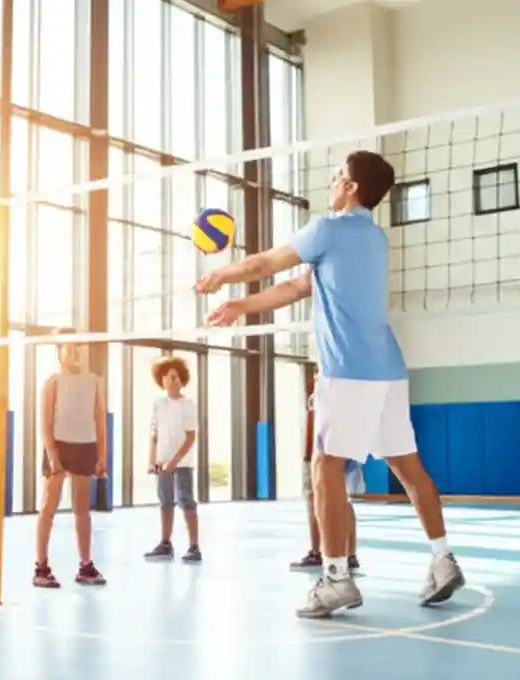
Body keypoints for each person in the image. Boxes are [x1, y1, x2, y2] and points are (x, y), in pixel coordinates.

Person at [199, 150, 465, 618]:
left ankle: (337, 578)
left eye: (338, 174)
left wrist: (224, 274)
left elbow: (267, 262)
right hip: (389, 371)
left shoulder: (327, 228)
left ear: (351, 188)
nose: (333, 179)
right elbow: (301, 287)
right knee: (409, 469)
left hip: (347, 371)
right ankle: (444, 560)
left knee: (324, 468)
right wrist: (241, 307)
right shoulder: (374, 238)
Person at [35, 331, 108, 588]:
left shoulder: (94, 381)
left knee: (82, 509)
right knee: (48, 507)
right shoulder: (53, 382)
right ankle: (41, 567)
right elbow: (45, 423)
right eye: (68, 348)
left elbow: (100, 419)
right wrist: (53, 456)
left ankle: (86, 566)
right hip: (60, 446)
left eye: (78, 347)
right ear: (59, 352)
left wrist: (101, 456)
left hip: (85, 446)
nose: (74, 353)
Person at [290, 390, 360, 574]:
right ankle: (349, 553)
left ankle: (317, 552)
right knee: (343, 501)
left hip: (324, 454)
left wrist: (308, 457)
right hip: (345, 449)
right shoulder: (349, 392)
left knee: (315, 501)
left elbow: (314, 427)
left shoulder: (325, 391)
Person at [143, 355, 201, 563]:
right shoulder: (158, 404)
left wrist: (174, 462)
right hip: (162, 462)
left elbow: (190, 436)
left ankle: (194, 546)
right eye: (168, 377)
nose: (173, 380)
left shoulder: (188, 405)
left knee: (186, 501)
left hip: (182, 463)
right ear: (162, 380)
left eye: (176, 376)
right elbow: (153, 432)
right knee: (165, 502)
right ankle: (165, 544)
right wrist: (152, 459)